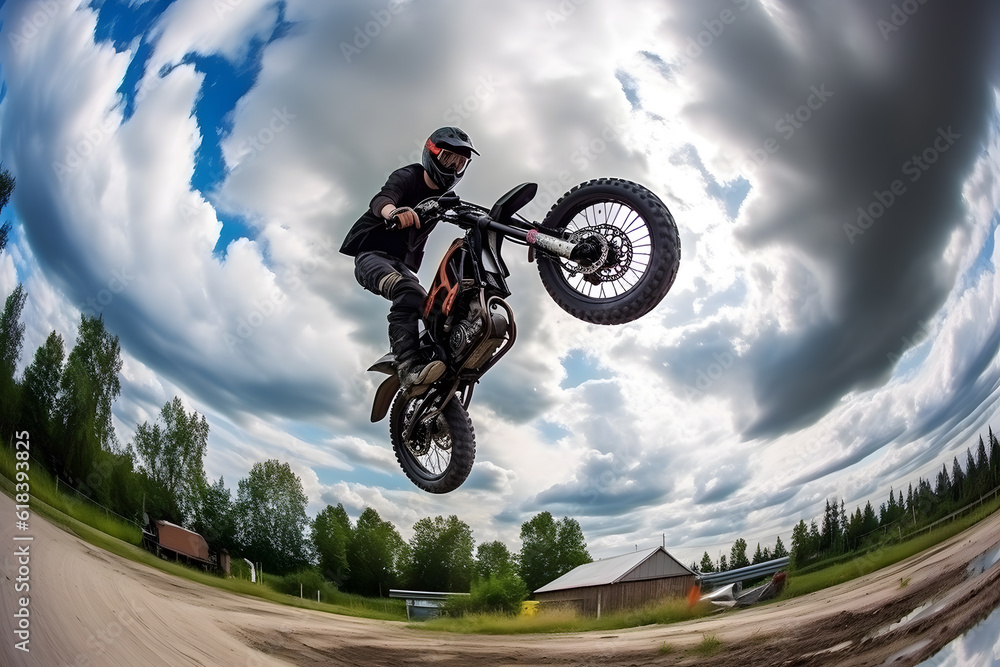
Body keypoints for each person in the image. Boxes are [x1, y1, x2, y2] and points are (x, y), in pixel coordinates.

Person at [340, 126, 479, 393]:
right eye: (448, 159)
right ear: (431, 153)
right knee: (408, 291)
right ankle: (407, 367)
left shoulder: (444, 199)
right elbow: (383, 198)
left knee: (432, 307)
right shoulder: (409, 176)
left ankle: (443, 361)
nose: (453, 167)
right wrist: (393, 212)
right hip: (371, 257)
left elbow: (468, 214)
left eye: (460, 163)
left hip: (401, 265)